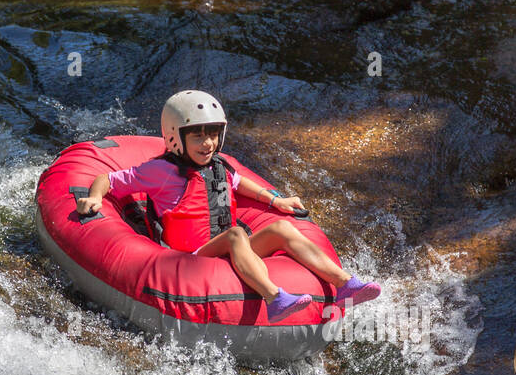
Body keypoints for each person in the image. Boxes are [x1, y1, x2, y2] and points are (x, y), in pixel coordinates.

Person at [74, 89, 381, 323]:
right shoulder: (160, 172)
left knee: (282, 229)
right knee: (236, 235)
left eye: (212, 134)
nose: (207, 143)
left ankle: (344, 285)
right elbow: (110, 178)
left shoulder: (219, 167)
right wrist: (96, 196)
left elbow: (240, 184)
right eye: (197, 135)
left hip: (227, 247)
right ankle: (274, 298)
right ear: (175, 137)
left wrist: (276, 200)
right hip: (190, 257)